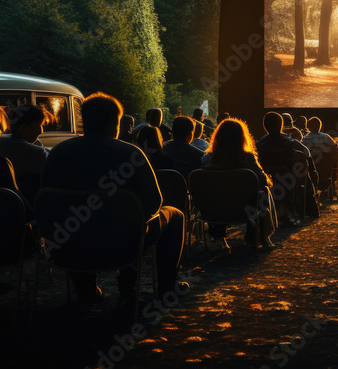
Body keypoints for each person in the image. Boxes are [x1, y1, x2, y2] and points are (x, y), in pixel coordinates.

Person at [42, 93, 185, 305]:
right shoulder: (132, 154)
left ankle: (85, 287)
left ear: (84, 121)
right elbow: (154, 203)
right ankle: (163, 288)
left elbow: (47, 203)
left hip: (68, 247)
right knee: (175, 215)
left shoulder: (57, 153)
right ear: (115, 123)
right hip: (123, 246)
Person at [203, 118, 277, 248]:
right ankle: (260, 236)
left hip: (214, 210)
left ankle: (219, 236)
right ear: (242, 138)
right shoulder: (248, 159)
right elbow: (263, 181)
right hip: (244, 210)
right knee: (264, 191)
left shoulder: (206, 159)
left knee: (216, 193)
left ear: (217, 137)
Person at [255, 112, 320, 219]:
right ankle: (310, 208)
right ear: (281, 125)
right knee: (306, 170)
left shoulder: (259, 144)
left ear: (265, 126)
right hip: (289, 178)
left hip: (267, 178)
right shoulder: (289, 141)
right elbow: (306, 152)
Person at [0, 104, 50, 201]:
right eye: (39, 125)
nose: (41, 131)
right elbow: (49, 184)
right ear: (24, 128)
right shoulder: (38, 154)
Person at [302, 117, 338, 194]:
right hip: (326, 167)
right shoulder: (326, 137)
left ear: (308, 126)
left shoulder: (305, 139)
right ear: (320, 126)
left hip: (310, 167)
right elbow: (335, 149)